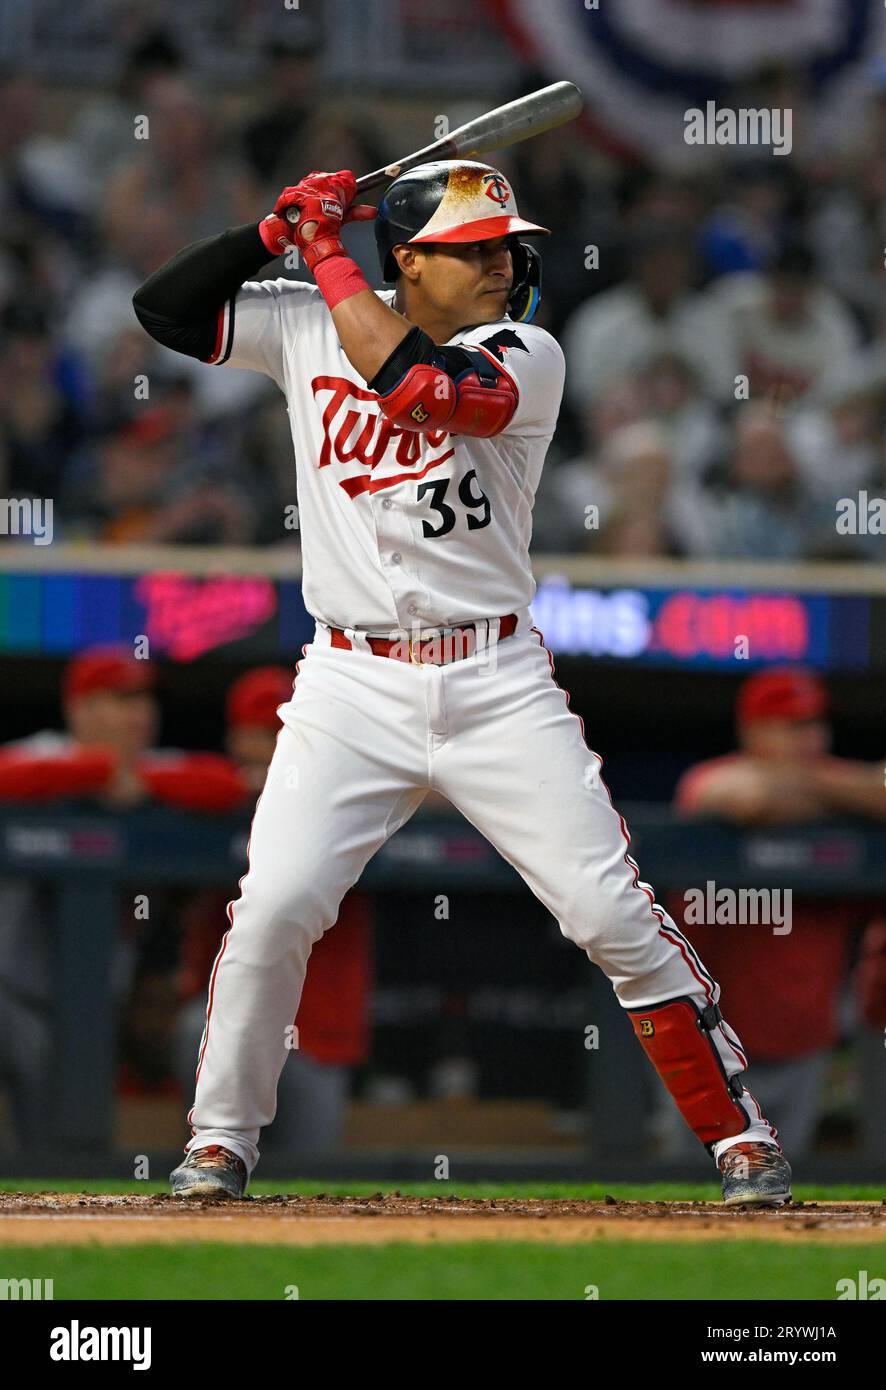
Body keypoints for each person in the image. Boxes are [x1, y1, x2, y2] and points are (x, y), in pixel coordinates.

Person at [133, 158, 791, 1206]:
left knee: (607, 911)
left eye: (503, 246)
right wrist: (269, 233)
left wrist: (319, 249)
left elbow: (421, 389)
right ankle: (218, 1141)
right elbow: (163, 311)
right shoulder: (305, 322)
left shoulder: (522, 349)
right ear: (408, 262)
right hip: (349, 680)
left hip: (493, 676)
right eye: (471, 250)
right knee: (272, 909)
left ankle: (739, 1136)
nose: (501, 263)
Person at [0, 645, 247, 1149]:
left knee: (69, 1149)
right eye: (120, 699)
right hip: (14, 994)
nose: (140, 713)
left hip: (99, 1001)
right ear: (80, 708)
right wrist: (97, 773)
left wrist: (143, 780)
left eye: (143, 700)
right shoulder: (48, 751)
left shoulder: (157, 769)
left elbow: (226, 785)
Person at [672, 668, 886, 1157]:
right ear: (753, 730)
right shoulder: (709, 778)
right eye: (791, 726)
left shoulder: (823, 787)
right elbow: (749, 799)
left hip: (801, 1039)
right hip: (708, 1039)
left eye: (815, 725)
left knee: (784, 1188)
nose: (810, 738)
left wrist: (815, 786)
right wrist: (848, 788)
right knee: (689, 1186)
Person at [174, 668, 372, 1153]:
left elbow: (433, 790)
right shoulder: (217, 800)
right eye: (260, 734)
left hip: (319, 1031)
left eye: (283, 733)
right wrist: (238, 785)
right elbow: (150, 776)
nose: (272, 746)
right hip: (234, 1016)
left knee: (310, 1180)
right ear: (236, 739)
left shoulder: (352, 798)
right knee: (191, 1029)